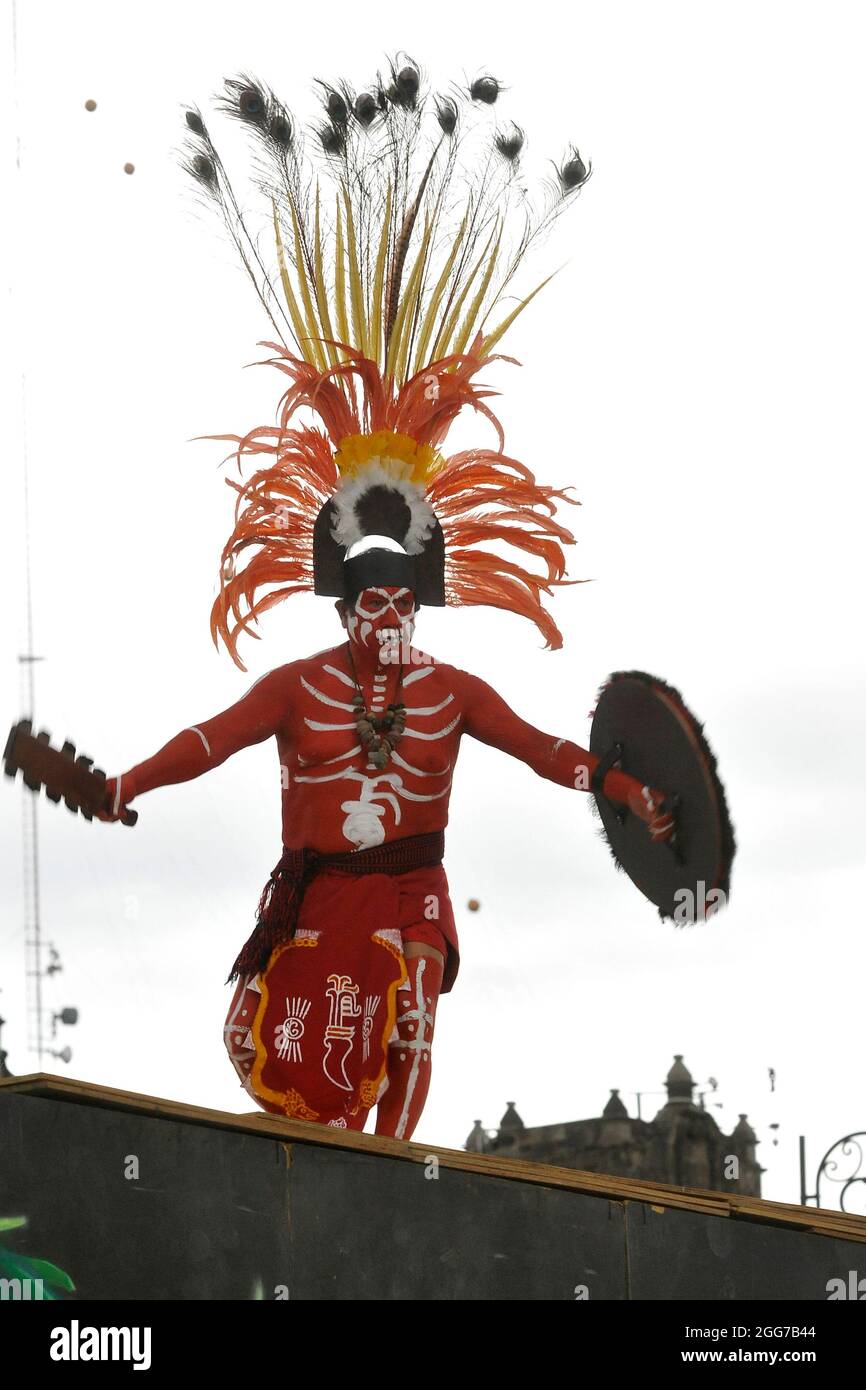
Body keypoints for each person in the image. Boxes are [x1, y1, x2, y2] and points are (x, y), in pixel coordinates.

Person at [97, 58, 674, 1137]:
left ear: (420, 601)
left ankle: (392, 1170)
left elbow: (545, 747)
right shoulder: (298, 686)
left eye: (403, 599)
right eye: (368, 599)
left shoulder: (453, 690)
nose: (386, 616)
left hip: (409, 896)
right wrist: (126, 776)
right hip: (316, 900)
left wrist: (623, 785)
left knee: (409, 1014)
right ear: (342, 603)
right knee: (289, 1068)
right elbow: (212, 738)